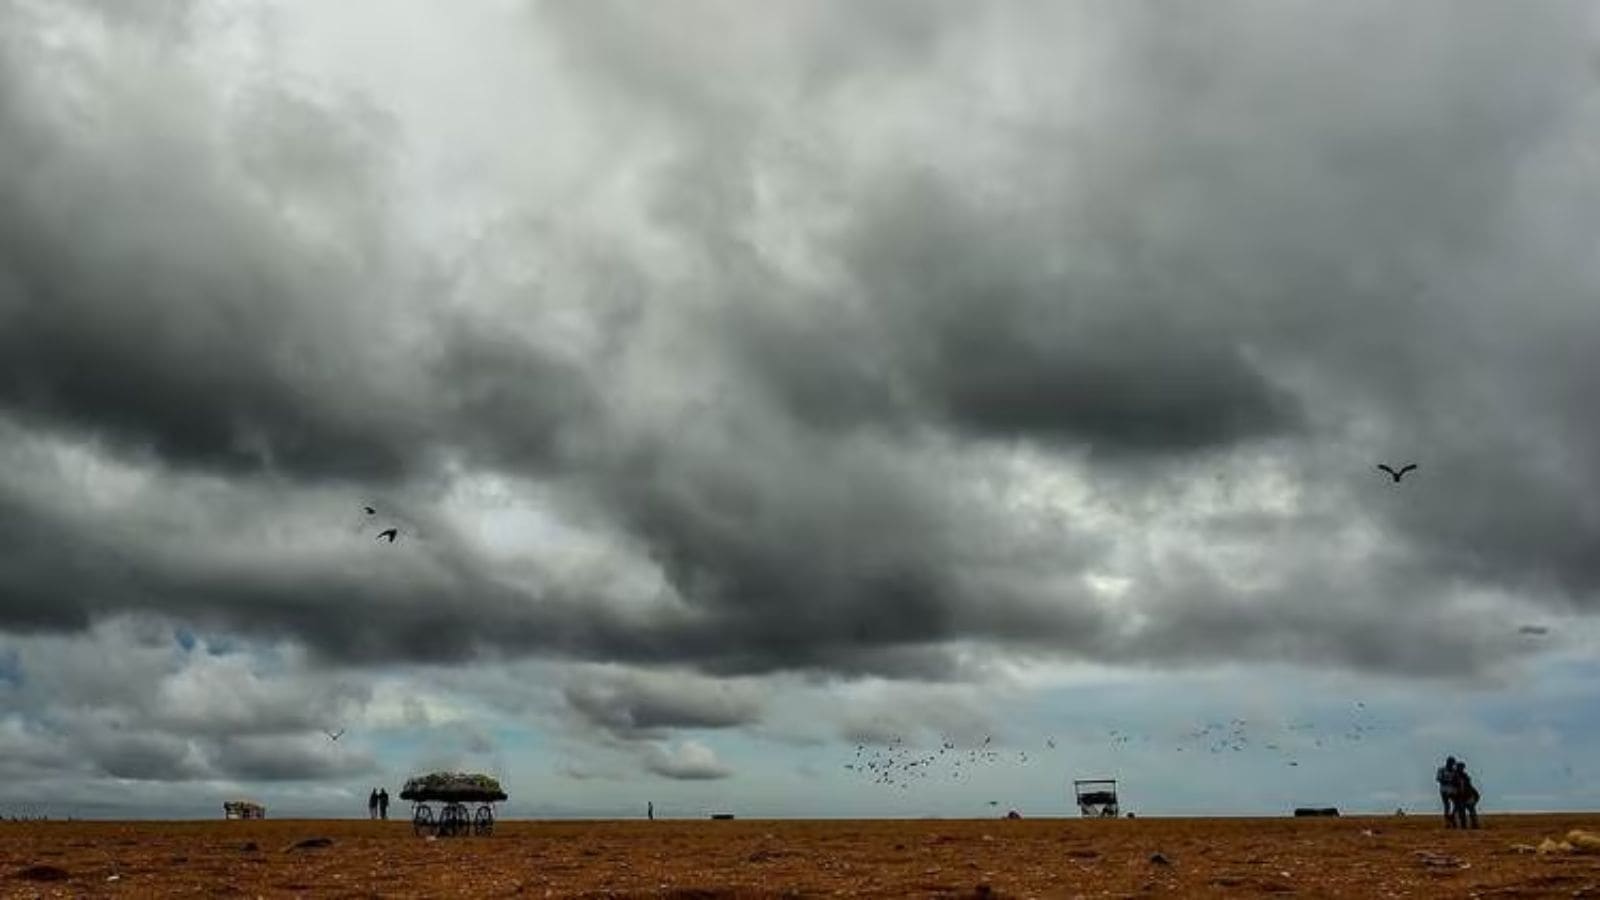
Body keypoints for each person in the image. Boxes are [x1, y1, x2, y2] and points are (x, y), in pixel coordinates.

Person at [1453, 761, 1480, 829]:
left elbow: (1469, 786)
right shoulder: (1456, 776)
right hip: (1460, 797)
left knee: (1469, 811)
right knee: (1464, 812)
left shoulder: (1464, 776)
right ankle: (1466, 825)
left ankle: (1472, 825)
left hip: (1466, 796)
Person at [1436, 756, 1457, 827]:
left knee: (1456, 804)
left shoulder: (1454, 771)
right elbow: (1439, 779)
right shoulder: (1442, 770)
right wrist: (1449, 781)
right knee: (1447, 806)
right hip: (1444, 790)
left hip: (1453, 790)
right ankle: (1447, 822)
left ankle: (1452, 817)